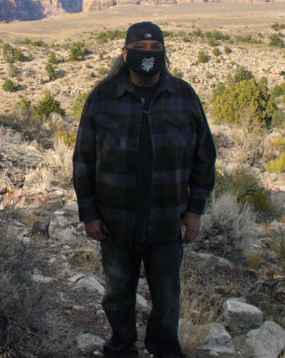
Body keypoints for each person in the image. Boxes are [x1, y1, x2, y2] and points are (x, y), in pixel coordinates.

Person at [72, 22, 216, 358]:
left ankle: (164, 350)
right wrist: (89, 214)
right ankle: (121, 347)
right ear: (125, 54)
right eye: (140, 48)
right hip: (115, 221)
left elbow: (204, 156)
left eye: (155, 49)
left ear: (164, 53)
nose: (147, 55)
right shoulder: (103, 96)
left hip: (168, 219)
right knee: (117, 293)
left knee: (167, 295)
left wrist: (195, 210)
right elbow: (83, 159)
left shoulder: (183, 95)